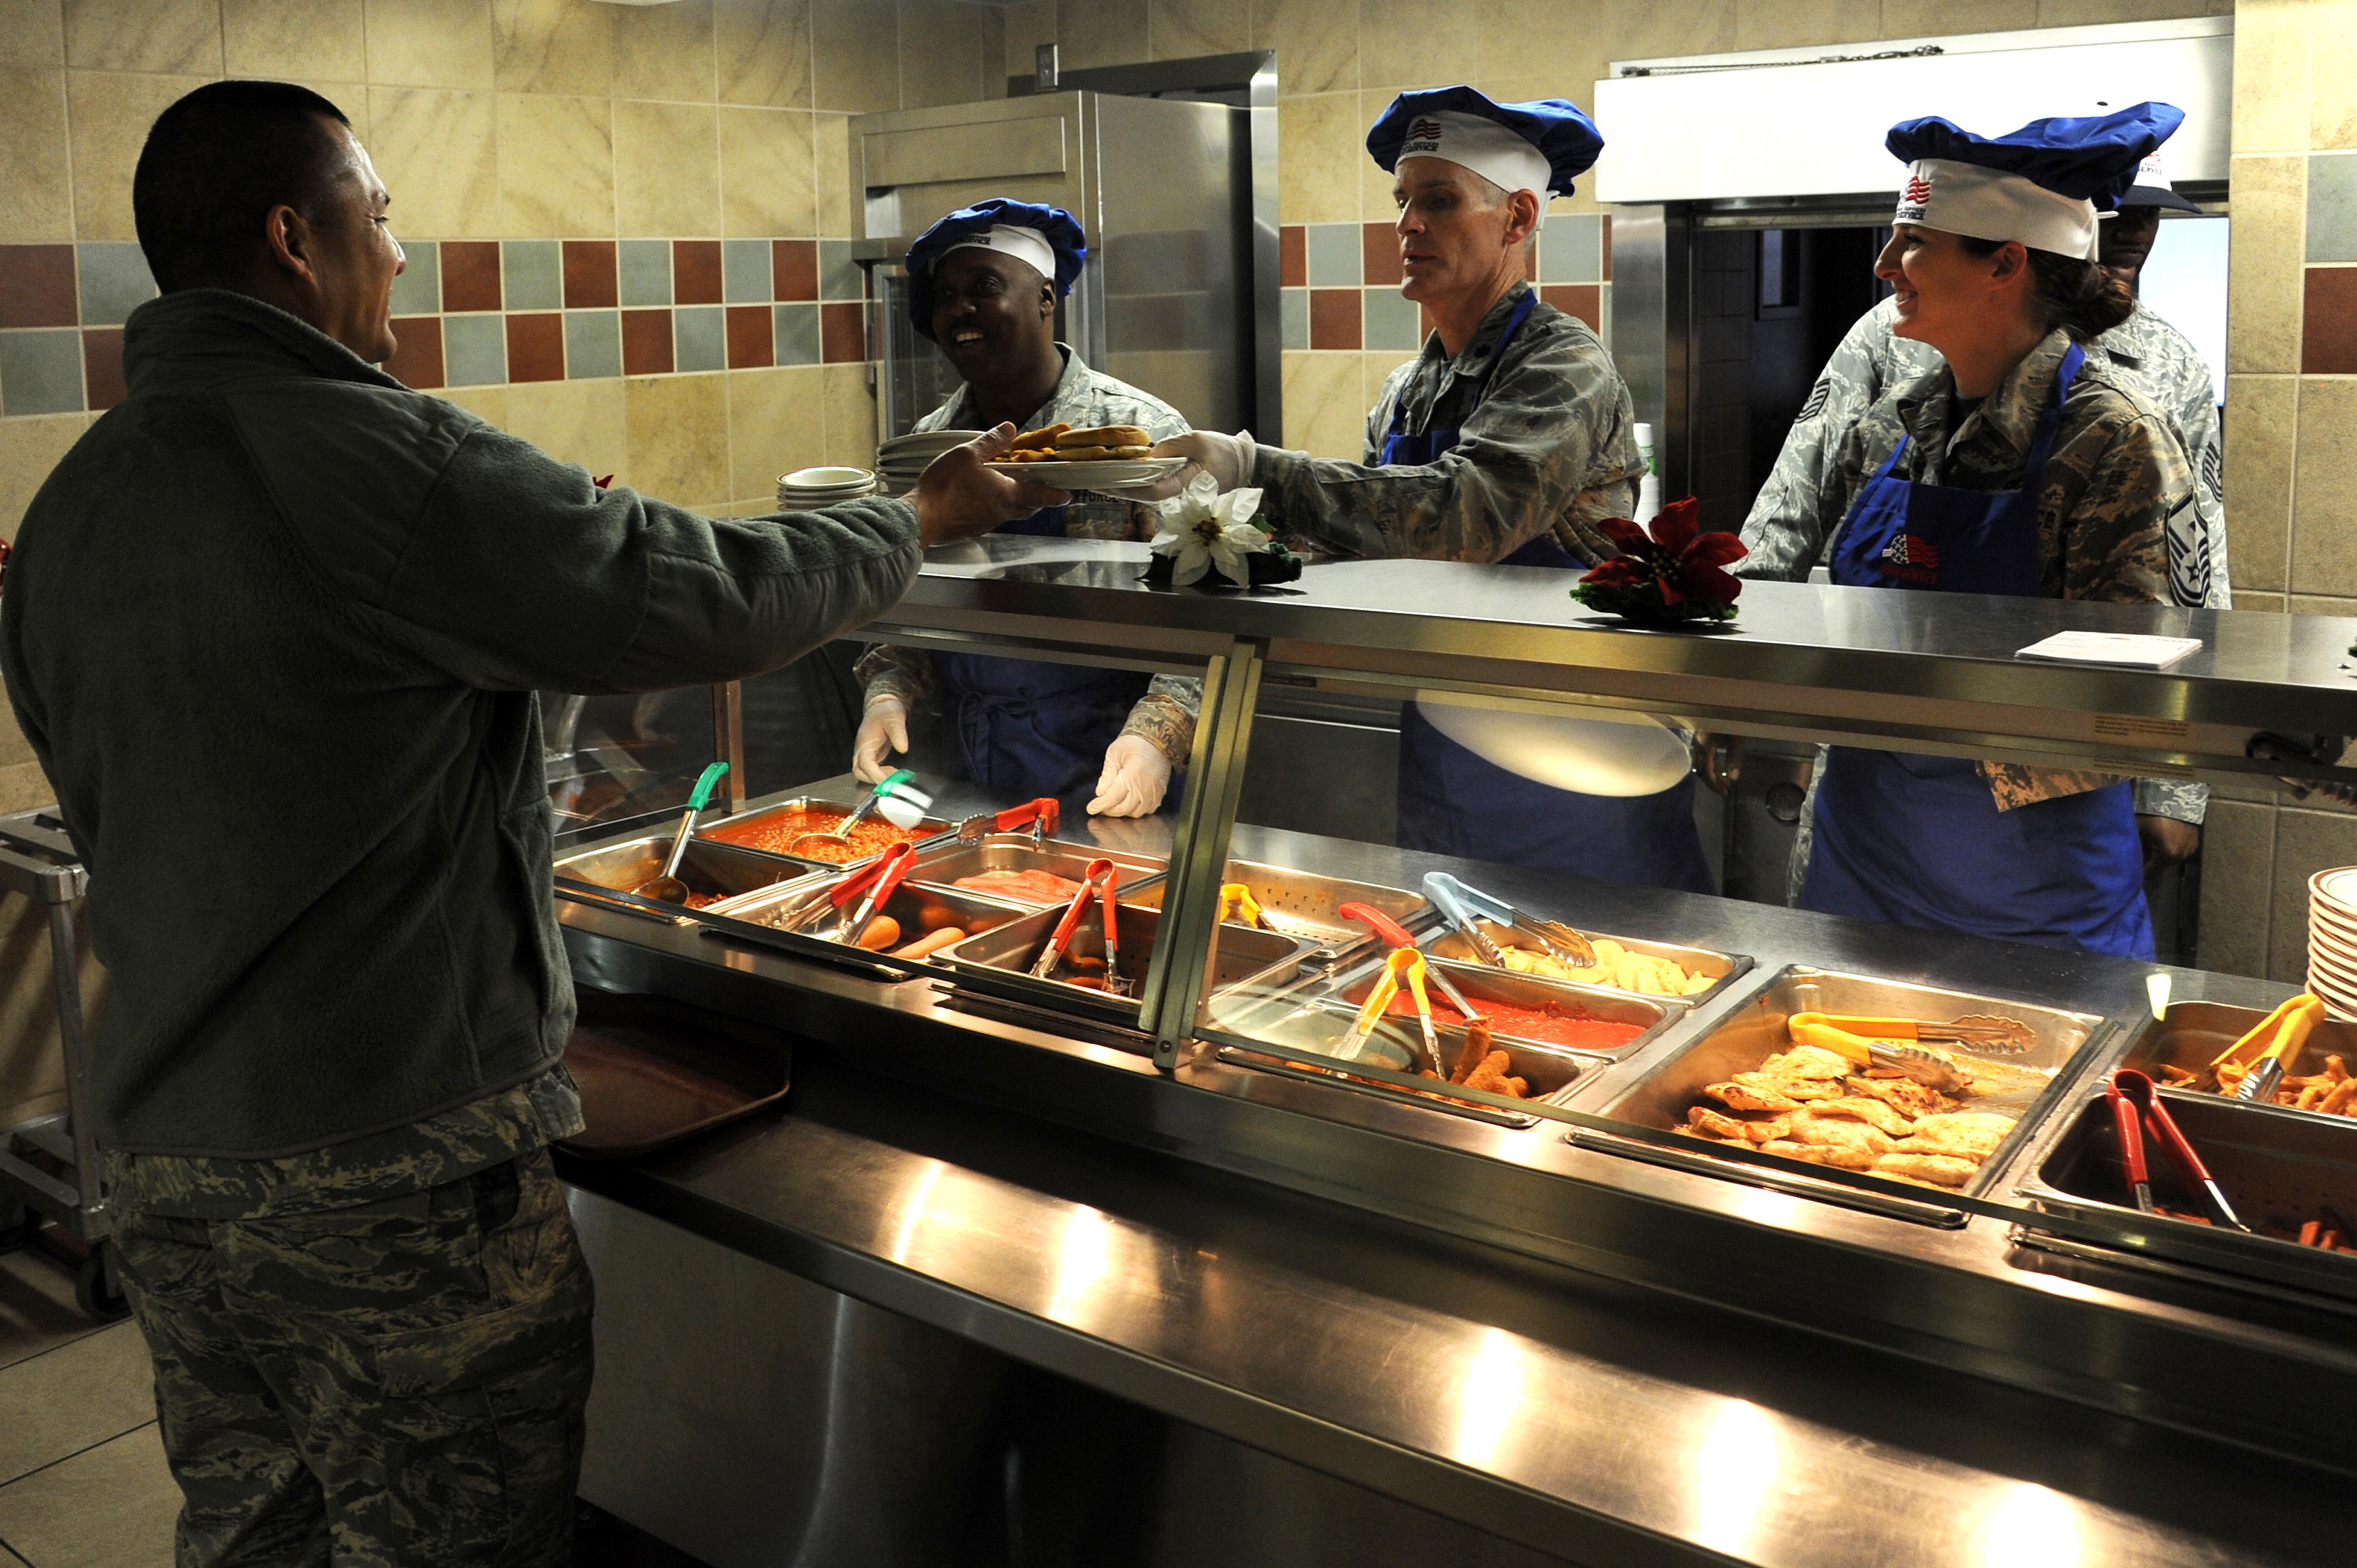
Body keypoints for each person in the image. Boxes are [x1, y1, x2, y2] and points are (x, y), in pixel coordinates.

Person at [0, 81, 1057, 1566]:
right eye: (380, 217)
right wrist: (917, 522)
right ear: (295, 239)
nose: (403, 257)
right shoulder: (382, 460)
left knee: (256, 1533)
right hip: (390, 1173)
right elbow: (708, 595)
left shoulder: (75, 506)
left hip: (170, 1160)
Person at [1151, 88, 1706, 891]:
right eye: (1404, 201)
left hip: (1579, 761)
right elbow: (1366, 539)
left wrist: (1255, 467)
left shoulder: (1563, 365)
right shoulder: (1409, 389)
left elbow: (1468, 516)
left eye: (1438, 201)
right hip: (1447, 747)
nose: (1408, 225)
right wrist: (1205, 532)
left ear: (1517, 219)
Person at [1740, 144, 2224, 881]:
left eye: (2148, 220)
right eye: (2120, 217)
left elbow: (2181, 618)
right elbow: (1787, 509)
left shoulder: (2130, 415)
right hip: (1866, 819)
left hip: (2025, 848)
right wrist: (1728, 693)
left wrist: (2176, 789)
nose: (2130, 236)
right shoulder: (1899, 375)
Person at [851, 199, 1196, 818]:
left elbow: (1211, 605)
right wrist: (888, 691)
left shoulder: (1141, 434)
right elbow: (903, 587)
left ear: (1045, 298)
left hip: (1109, 767)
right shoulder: (932, 447)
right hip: (962, 765)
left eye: (983, 287)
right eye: (944, 296)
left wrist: (1157, 737)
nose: (958, 310)